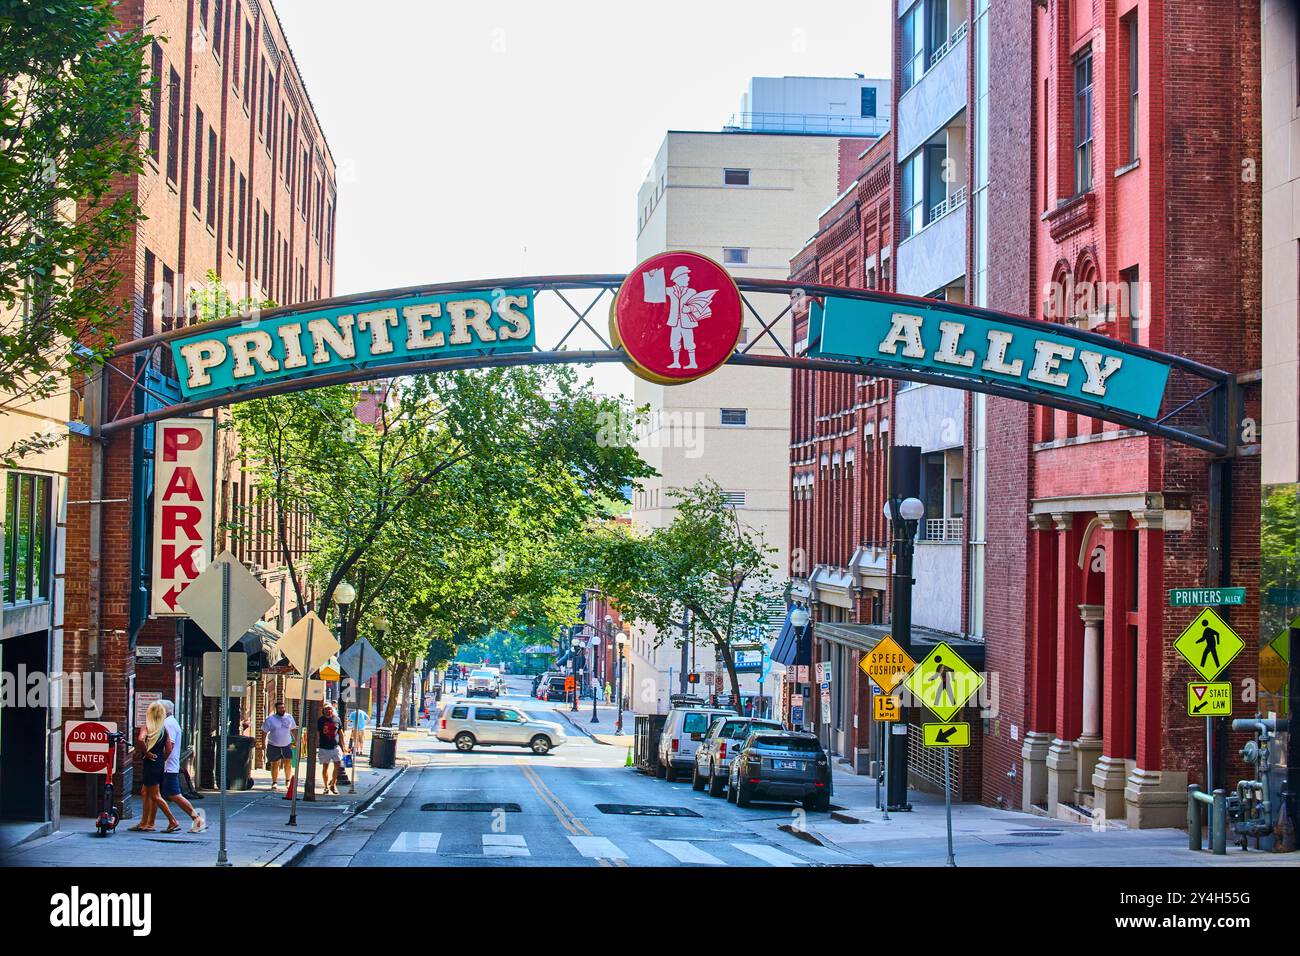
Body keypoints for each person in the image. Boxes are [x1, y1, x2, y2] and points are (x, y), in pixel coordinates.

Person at [129, 702, 180, 833]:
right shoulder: (164, 729)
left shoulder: (147, 727)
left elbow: (140, 739)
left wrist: (146, 753)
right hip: (159, 763)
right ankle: (145, 823)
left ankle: (173, 821)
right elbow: (169, 748)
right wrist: (162, 759)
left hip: (150, 764)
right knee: (145, 792)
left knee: (156, 796)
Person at [159, 699, 204, 832]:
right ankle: (149, 822)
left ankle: (197, 819)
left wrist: (161, 761)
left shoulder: (169, 724)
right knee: (151, 793)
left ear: (164, 711)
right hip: (168, 765)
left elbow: (170, 746)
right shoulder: (169, 722)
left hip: (169, 766)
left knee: (174, 794)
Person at [261, 699, 297, 791]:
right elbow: (264, 732)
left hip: (287, 744)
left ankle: (288, 780)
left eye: (283, 707)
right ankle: (274, 782)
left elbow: (293, 730)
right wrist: (263, 744)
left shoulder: (289, 717)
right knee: (275, 764)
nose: (282, 709)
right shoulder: (270, 719)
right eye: (280, 708)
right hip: (273, 744)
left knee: (288, 763)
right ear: (276, 709)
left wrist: (297, 740)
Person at [317, 703, 343, 794]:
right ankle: (325, 786)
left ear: (332, 710)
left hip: (335, 747)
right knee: (325, 767)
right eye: (326, 709)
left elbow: (340, 732)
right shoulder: (320, 720)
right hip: (324, 747)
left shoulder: (337, 719)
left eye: (330, 709)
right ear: (323, 711)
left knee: (338, 765)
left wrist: (343, 745)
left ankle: (333, 784)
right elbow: (317, 733)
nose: (328, 711)